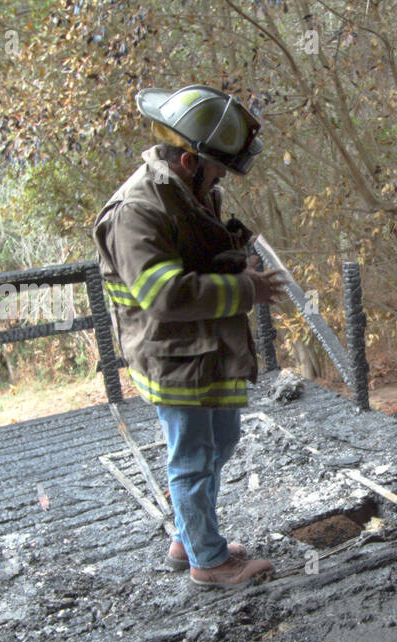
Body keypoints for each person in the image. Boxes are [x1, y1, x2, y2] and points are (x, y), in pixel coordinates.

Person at [94, 84, 287, 588]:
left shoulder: (188, 193)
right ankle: (208, 560)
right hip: (172, 356)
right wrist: (245, 289)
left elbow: (191, 258)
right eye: (219, 168)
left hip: (202, 351)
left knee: (222, 440)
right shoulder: (136, 210)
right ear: (188, 159)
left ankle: (189, 532)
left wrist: (230, 257)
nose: (222, 178)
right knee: (194, 457)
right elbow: (164, 295)